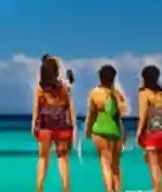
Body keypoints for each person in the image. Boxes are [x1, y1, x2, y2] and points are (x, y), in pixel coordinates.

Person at [32, 55, 75, 192]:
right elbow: (71, 109)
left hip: (44, 128)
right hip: (63, 128)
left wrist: (33, 126)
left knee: (43, 158)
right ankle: (66, 189)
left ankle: (39, 188)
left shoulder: (40, 89)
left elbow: (36, 109)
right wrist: (73, 128)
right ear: (56, 72)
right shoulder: (65, 89)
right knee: (63, 159)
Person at [84, 64, 128, 192]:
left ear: (100, 77)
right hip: (116, 130)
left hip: (100, 130)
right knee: (116, 167)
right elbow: (123, 113)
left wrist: (87, 130)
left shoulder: (95, 93)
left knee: (105, 164)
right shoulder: (117, 94)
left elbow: (91, 114)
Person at [135, 65, 162, 192]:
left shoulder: (144, 93)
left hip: (153, 132)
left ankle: (157, 189)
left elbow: (143, 115)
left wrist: (138, 134)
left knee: (154, 165)